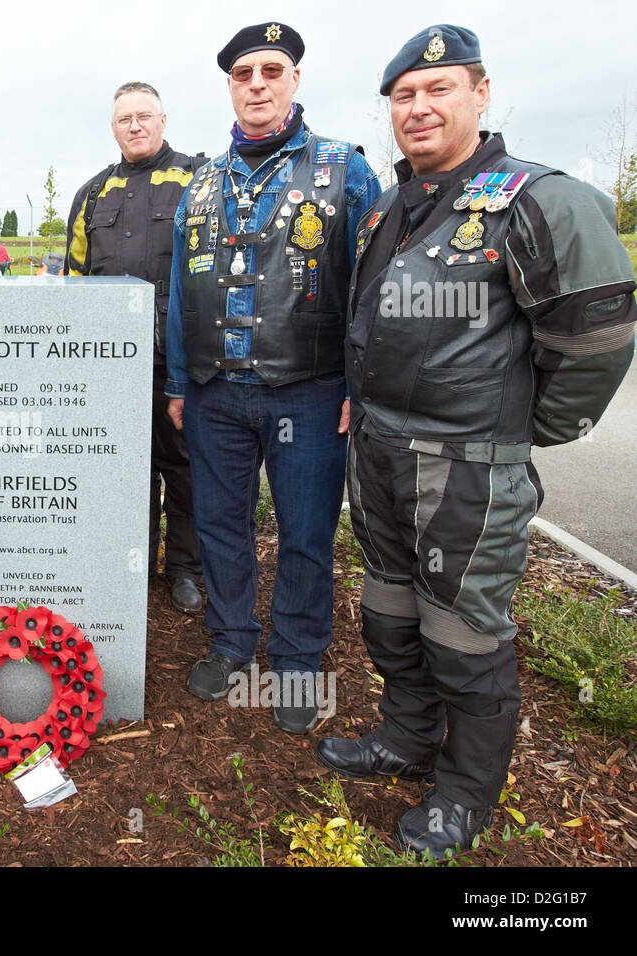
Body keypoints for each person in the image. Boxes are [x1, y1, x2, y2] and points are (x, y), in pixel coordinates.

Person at [316, 24, 635, 857]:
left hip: (467, 473)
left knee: (463, 635)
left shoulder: (539, 199)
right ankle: (405, 741)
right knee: (389, 614)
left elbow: (596, 339)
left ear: (481, 93)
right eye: (403, 96)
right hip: (383, 455)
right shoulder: (390, 205)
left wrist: (521, 430)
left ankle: (465, 794)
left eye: (438, 89)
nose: (418, 108)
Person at [165, 22, 381, 732]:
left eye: (271, 71)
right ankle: (231, 639)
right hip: (212, 393)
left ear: (294, 81)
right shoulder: (199, 182)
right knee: (221, 524)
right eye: (243, 74)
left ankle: (295, 659)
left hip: (311, 392)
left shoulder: (343, 169)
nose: (256, 84)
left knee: (306, 531)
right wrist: (177, 384)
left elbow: (369, 294)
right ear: (230, 85)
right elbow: (178, 291)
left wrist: (359, 385)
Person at [67, 81, 206, 616]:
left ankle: (185, 570)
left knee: (184, 468)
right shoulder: (93, 194)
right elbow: (75, 283)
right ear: (113, 128)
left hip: (179, 364)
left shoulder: (198, 180)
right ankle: (134, 563)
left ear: (163, 120)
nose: (136, 126)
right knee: (123, 469)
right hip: (110, 370)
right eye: (125, 119)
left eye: (144, 116)